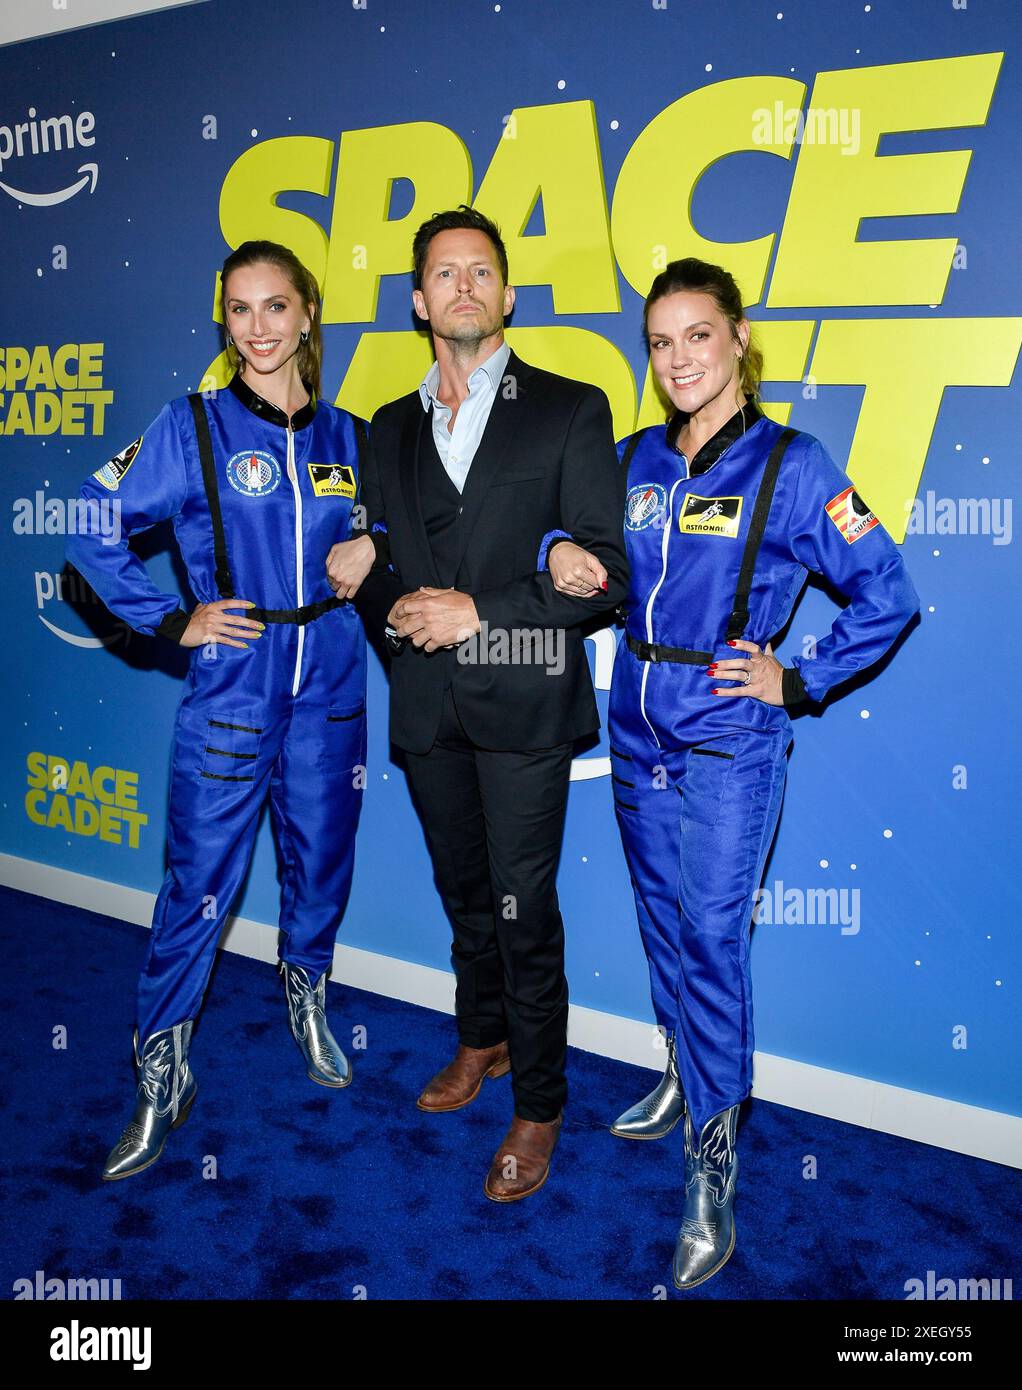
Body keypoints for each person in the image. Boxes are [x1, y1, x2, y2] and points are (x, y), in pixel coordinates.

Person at [542, 257, 919, 1286]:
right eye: (659, 342)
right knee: (662, 922)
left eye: (695, 336)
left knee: (710, 940)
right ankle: (680, 1065)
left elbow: (885, 592)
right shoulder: (629, 459)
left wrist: (796, 679)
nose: (676, 360)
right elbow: (566, 535)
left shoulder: (793, 466)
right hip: (635, 730)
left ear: (738, 337)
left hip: (727, 738)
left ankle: (709, 1162)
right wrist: (551, 552)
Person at [335, 206, 628, 1202]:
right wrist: (397, 605)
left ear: (504, 294)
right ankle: (482, 1039)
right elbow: (375, 557)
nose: (462, 285)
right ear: (418, 301)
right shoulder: (384, 426)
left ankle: (538, 1104)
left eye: (480, 272)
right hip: (425, 708)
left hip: (522, 709)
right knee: (463, 896)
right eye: (442, 273)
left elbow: (605, 574)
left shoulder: (570, 408)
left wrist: (476, 613)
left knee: (521, 911)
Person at [66, 240, 375, 1180]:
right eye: (238, 311)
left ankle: (308, 990)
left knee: (321, 862)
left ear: (308, 315)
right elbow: (91, 519)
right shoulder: (192, 425)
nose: (257, 329)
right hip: (233, 687)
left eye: (275, 307)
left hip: (332, 684)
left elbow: (394, 522)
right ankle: (162, 1066)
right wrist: (170, 617)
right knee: (197, 883)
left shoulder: (350, 435)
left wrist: (375, 546)